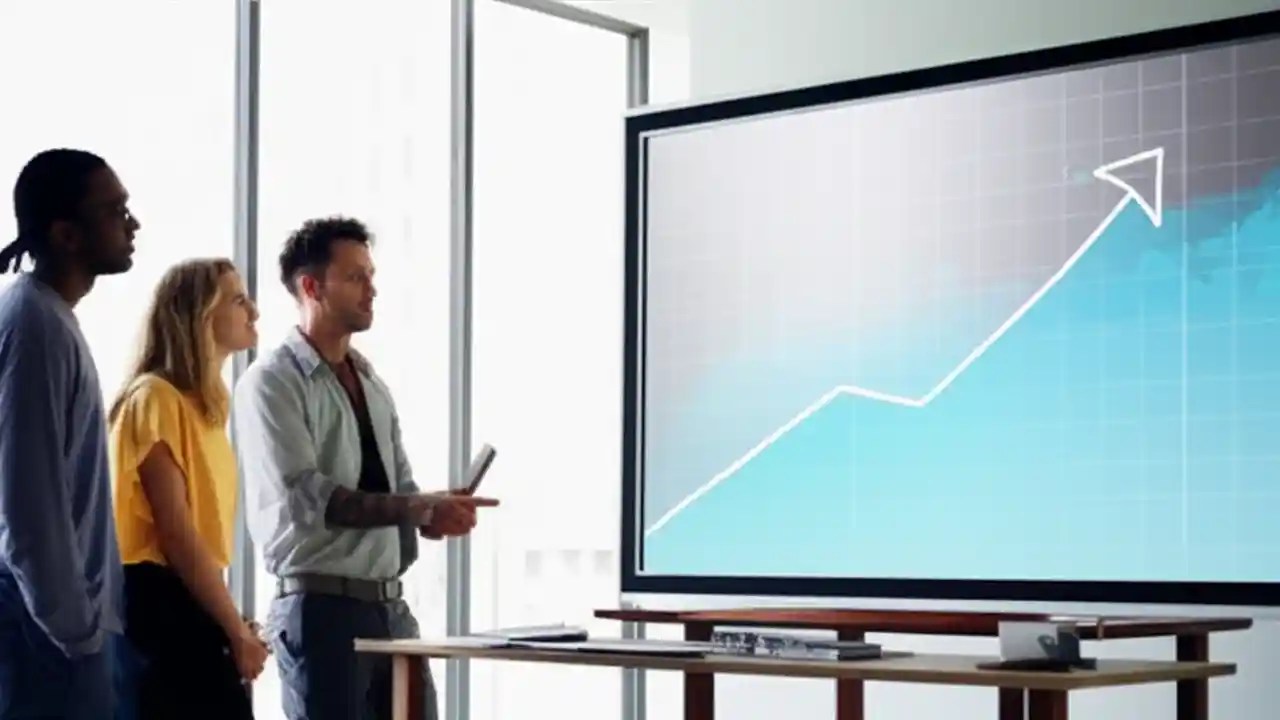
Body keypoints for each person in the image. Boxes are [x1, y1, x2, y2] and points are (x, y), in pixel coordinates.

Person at [233, 216, 498, 720]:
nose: (371, 290)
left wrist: (436, 513)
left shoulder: (372, 383)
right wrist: (420, 507)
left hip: (391, 610)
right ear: (312, 287)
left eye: (370, 275)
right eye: (356, 277)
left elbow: (399, 488)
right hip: (320, 611)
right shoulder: (271, 383)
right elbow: (315, 498)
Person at [0, 148, 139, 718]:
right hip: (50, 636)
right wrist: (76, 632)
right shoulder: (35, 327)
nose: (133, 224)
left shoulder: (49, 318)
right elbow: (27, 501)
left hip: (61, 630)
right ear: (66, 234)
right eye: (115, 210)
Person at [107, 258, 269, 719]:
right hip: (158, 607)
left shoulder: (205, 410)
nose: (253, 311)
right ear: (200, 316)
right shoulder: (154, 398)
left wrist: (231, 622)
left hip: (190, 601)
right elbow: (177, 534)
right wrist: (234, 630)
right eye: (238, 300)